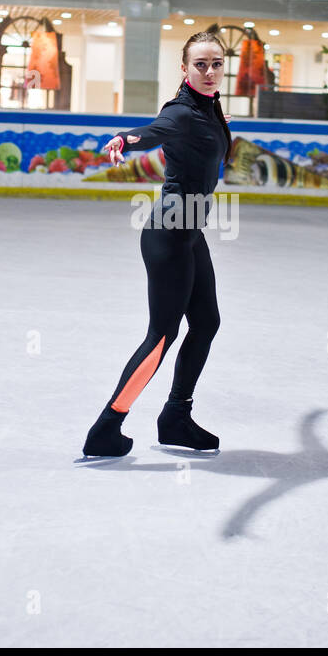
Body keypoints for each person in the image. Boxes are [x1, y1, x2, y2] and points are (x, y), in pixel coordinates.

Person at [82, 31, 235, 458]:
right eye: (200, 64)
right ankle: (106, 428)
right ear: (184, 69)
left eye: (216, 63)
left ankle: (175, 418)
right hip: (169, 233)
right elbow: (154, 130)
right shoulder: (184, 112)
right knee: (163, 335)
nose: (208, 71)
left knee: (205, 323)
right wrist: (125, 140)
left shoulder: (210, 108)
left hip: (190, 232)